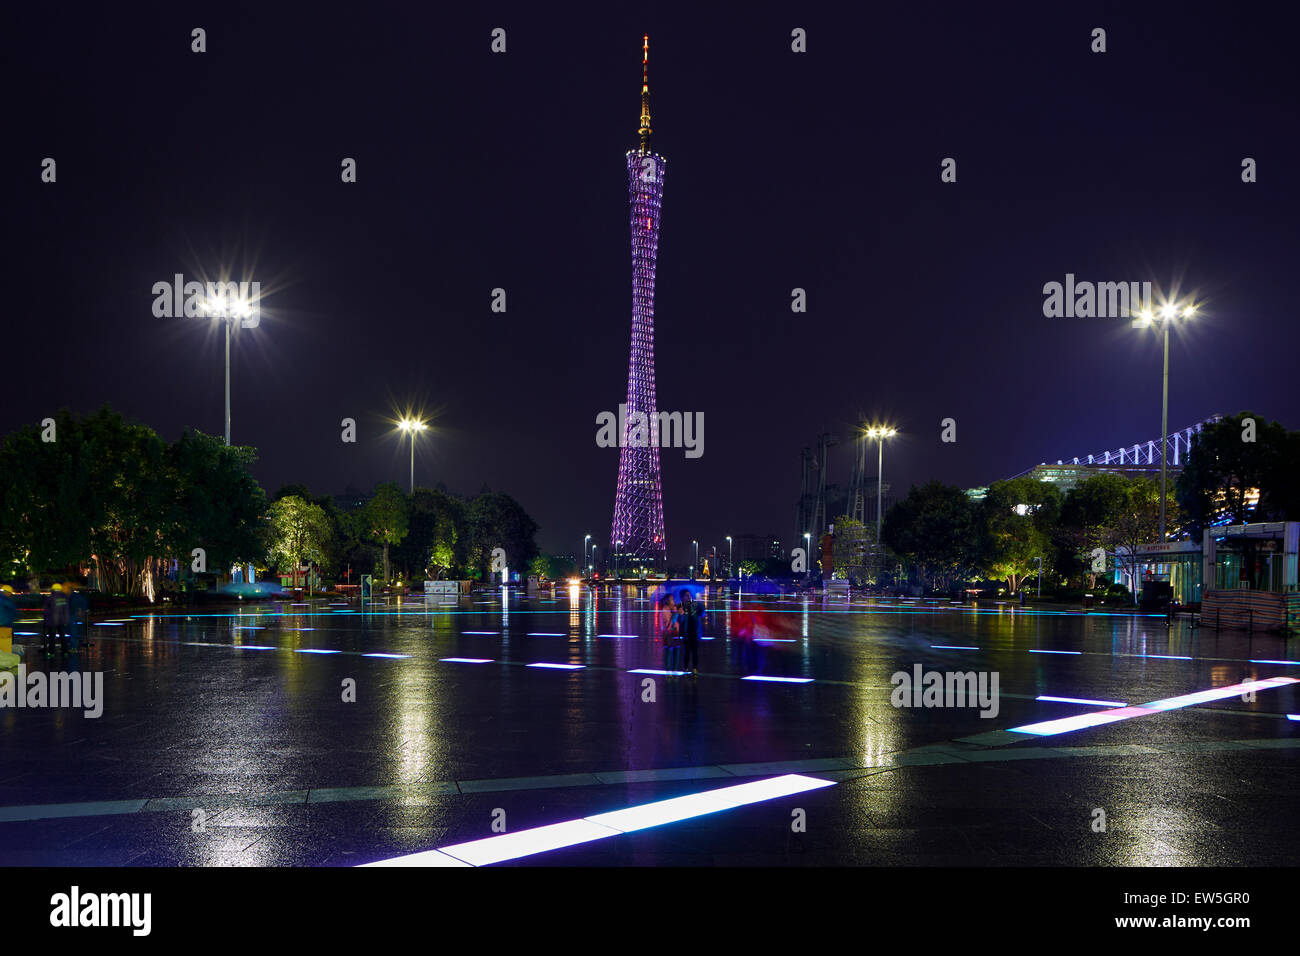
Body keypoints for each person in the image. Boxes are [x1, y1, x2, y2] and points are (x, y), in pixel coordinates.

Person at [679, 588, 705, 676]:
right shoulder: (680, 607)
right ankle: (686, 668)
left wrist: (699, 602)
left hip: (695, 631)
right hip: (686, 633)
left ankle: (695, 669)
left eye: (689, 595)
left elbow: (702, 613)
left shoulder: (695, 604)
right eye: (686, 595)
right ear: (682, 597)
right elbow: (679, 620)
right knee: (686, 651)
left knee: (695, 651)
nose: (688, 597)